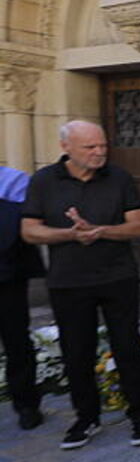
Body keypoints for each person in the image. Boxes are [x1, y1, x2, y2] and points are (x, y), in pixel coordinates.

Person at [21, 120, 140, 449]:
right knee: (75, 353)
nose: (99, 153)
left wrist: (99, 230)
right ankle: (86, 418)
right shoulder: (44, 181)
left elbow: (139, 226)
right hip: (68, 281)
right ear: (66, 147)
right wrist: (70, 234)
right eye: (90, 147)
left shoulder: (119, 177)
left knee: (128, 348)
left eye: (103, 146)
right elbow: (29, 230)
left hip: (117, 277)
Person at [1, 165, 46, 429]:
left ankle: (26, 405)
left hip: (7, 276)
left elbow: (16, 227)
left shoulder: (13, 180)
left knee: (16, 341)